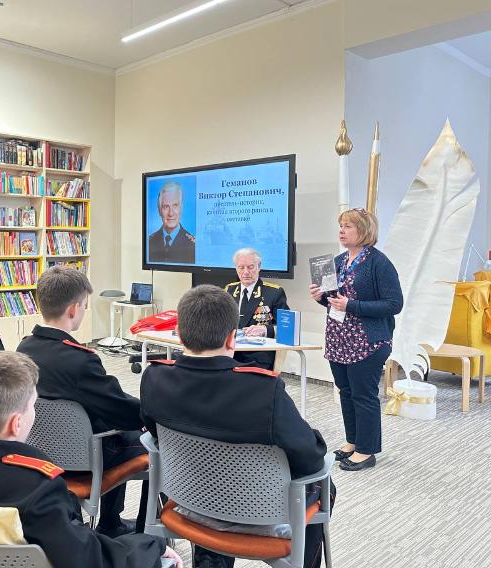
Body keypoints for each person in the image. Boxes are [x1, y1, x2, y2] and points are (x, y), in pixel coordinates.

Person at [0, 350, 182, 568]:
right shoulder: (38, 490)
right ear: (17, 424)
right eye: (33, 405)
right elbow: (89, 558)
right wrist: (152, 546)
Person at [140, 285, 331, 568]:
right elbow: (310, 459)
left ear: (178, 334)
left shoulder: (154, 379)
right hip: (258, 513)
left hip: (188, 503)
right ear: (232, 338)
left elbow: (155, 436)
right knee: (323, 483)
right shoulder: (263, 391)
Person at [17, 267, 145, 538]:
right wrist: (151, 413)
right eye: (85, 306)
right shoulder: (80, 360)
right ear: (74, 309)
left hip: (40, 448)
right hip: (85, 455)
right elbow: (120, 410)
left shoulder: (24, 348)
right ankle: (134, 528)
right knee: (145, 439)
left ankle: (112, 521)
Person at [309, 208, 402, 472]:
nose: (341, 231)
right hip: (338, 339)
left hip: (368, 342)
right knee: (346, 392)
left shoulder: (379, 262)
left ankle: (366, 451)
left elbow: (394, 304)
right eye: (341, 225)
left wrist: (352, 305)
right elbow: (334, 302)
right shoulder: (337, 261)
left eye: (348, 226)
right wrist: (320, 298)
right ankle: (353, 442)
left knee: (363, 395)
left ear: (364, 230)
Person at [223, 248, 289, 369]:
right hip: (229, 354)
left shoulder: (274, 292)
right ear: (236, 268)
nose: (246, 272)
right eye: (241, 267)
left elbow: (287, 329)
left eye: (250, 267)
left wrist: (265, 330)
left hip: (257, 356)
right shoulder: (229, 290)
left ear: (259, 266)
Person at [147, 181, 195, 264]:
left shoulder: (193, 245)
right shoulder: (149, 243)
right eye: (166, 207)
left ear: (181, 208)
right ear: (159, 210)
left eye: (175, 205)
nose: (171, 213)